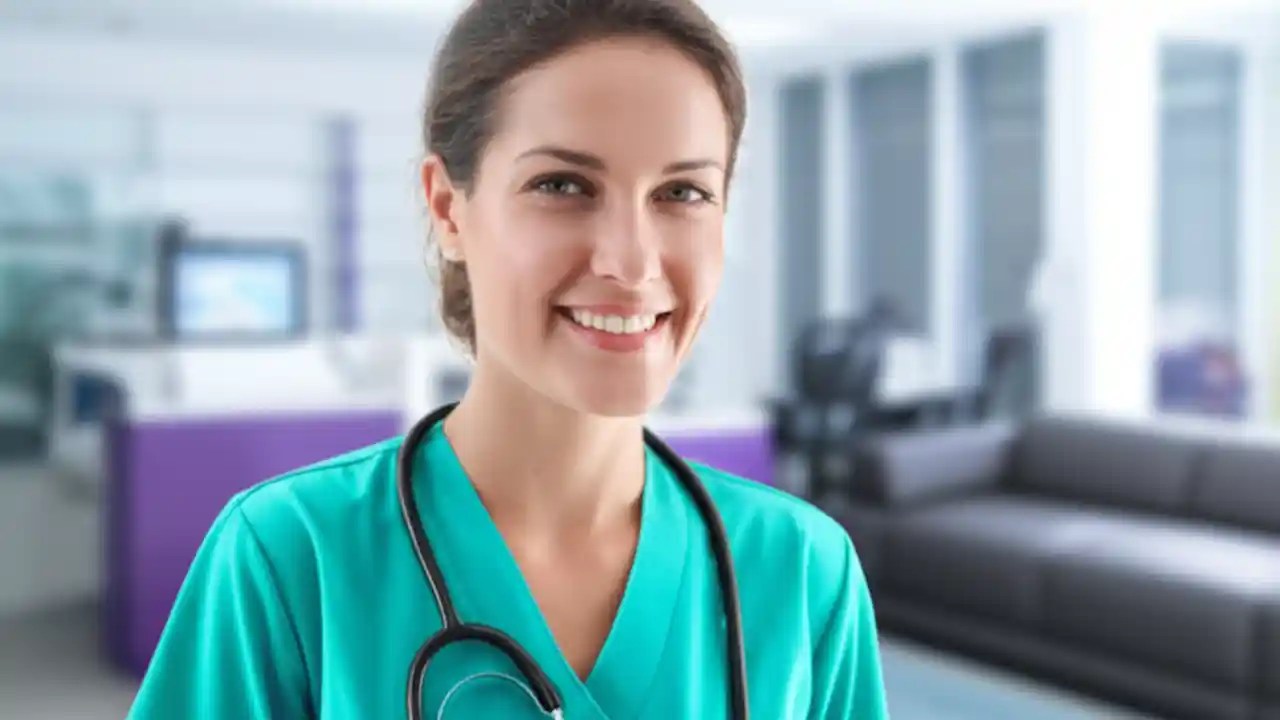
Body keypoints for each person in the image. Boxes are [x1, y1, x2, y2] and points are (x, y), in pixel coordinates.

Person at [127, 1, 889, 718]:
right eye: (562, 185)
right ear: (447, 206)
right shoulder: (287, 560)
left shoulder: (804, 575)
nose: (632, 260)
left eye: (683, 192)